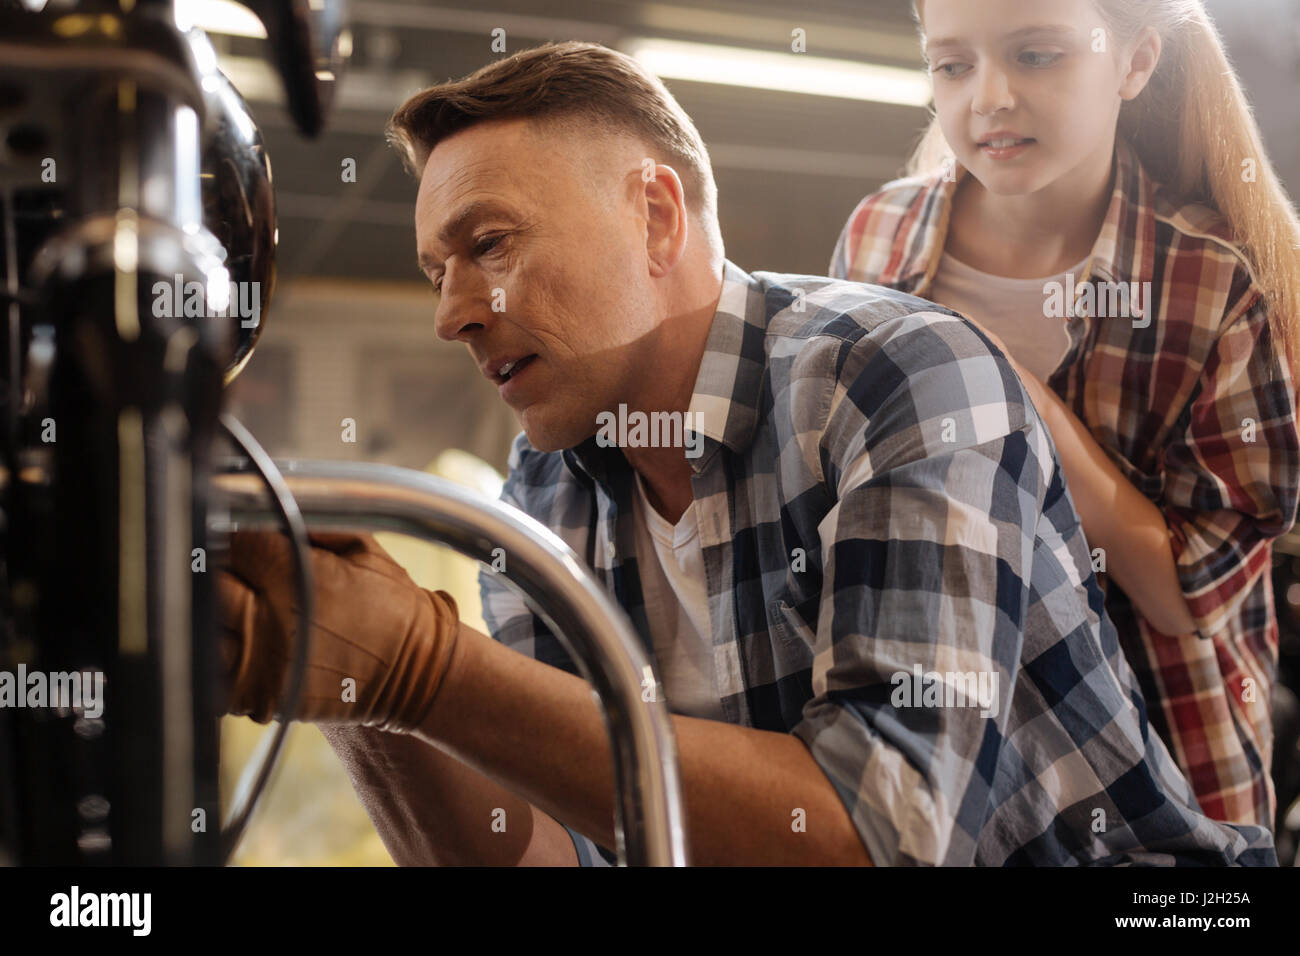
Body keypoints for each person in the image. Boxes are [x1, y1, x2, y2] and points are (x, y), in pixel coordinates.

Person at [217, 41, 1276, 865]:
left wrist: (429, 668)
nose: (451, 313)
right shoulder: (546, 487)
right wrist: (362, 692)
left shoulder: (897, 377)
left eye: (488, 244)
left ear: (656, 215)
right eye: (434, 270)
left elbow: (883, 835)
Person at [831, 0, 1300, 829]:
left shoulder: (1212, 283)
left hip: (1165, 783)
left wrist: (1005, 390)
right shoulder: (876, 237)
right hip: (945, 770)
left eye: (1037, 56)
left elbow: (1189, 602)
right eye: (952, 64)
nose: (991, 98)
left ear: (1136, 62)